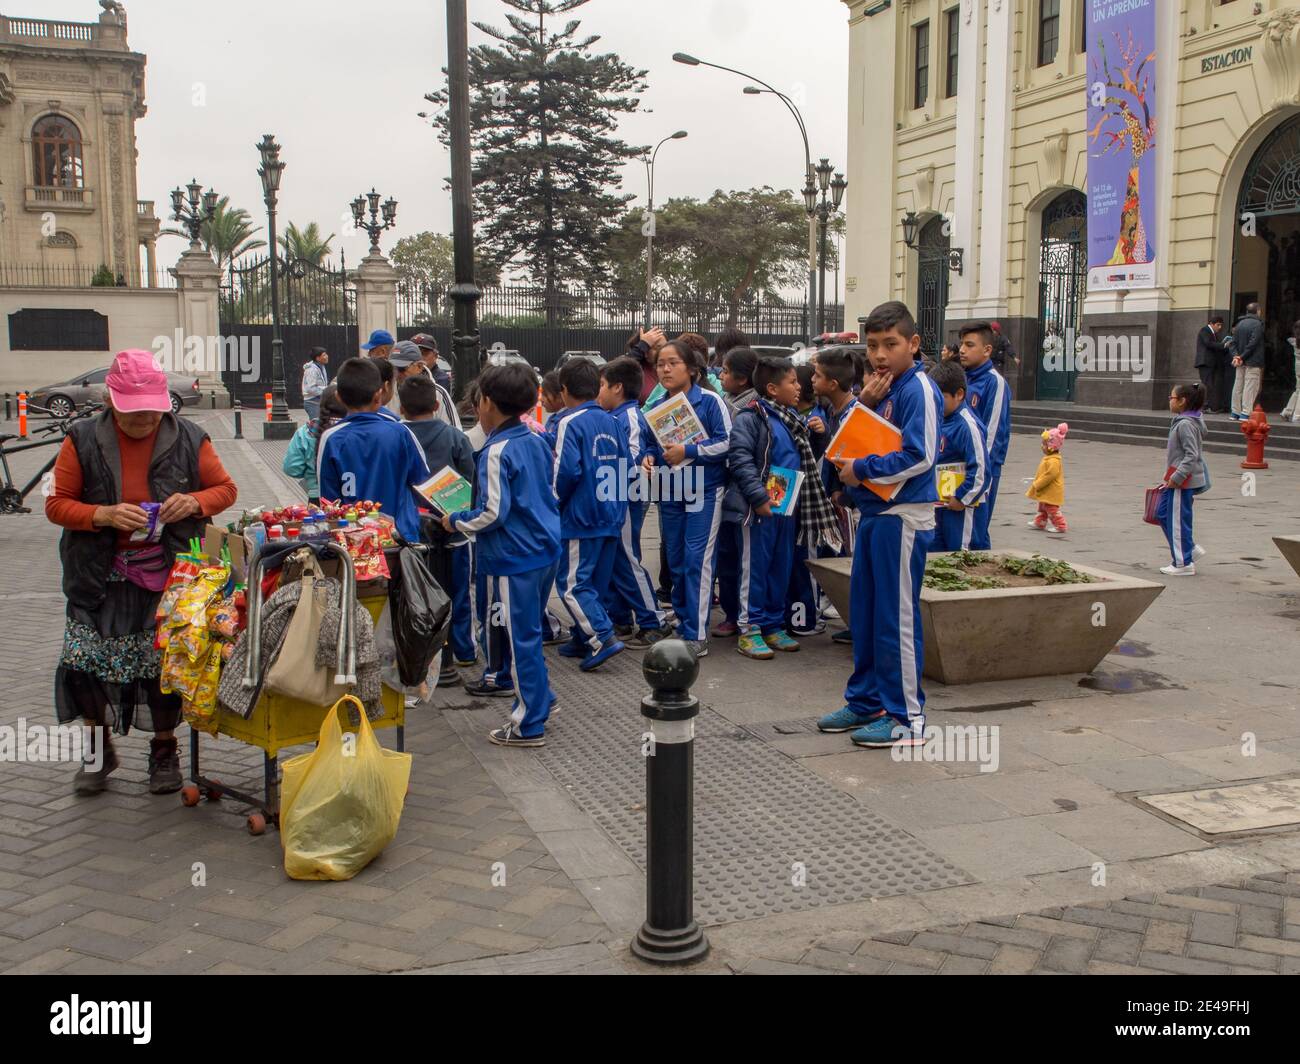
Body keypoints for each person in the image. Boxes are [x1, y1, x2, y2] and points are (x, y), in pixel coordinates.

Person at [45, 350, 237, 795]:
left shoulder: (190, 437)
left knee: (162, 666)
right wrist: (103, 515)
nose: (146, 420)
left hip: (170, 572)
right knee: (84, 665)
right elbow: (56, 505)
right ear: (112, 402)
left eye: (152, 411)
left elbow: (225, 489)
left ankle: (164, 753)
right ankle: (98, 754)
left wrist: (194, 502)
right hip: (97, 574)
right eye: (135, 414)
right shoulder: (82, 440)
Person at [819, 301, 941, 750]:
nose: (880, 354)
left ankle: (907, 717)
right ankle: (867, 700)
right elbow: (842, 447)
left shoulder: (918, 390)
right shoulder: (883, 389)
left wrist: (863, 469)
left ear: (913, 343)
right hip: (873, 515)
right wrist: (864, 403)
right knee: (867, 615)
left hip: (903, 518)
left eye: (891, 344)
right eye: (873, 346)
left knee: (896, 618)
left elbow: (921, 455)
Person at [443, 362, 562, 747]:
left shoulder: (497, 449)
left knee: (518, 639)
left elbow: (493, 511)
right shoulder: (535, 439)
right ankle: (541, 700)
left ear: (487, 402)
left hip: (514, 557)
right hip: (543, 550)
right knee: (527, 635)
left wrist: (454, 521)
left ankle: (529, 722)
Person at [728, 356, 841, 660]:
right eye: (791, 381)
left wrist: (819, 437)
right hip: (760, 507)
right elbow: (740, 459)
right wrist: (758, 497)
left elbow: (805, 458)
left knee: (781, 565)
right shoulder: (750, 417)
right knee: (756, 568)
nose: (799, 386)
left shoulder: (791, 418)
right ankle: (749, 628)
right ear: (772, 388)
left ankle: (772, 623)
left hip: (787, 502)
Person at [641, 339, 732, 657]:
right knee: (676, 560)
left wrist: (689, 450)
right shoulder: (655, 409)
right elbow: (651, 447)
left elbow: (728, 443)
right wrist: (649, 458)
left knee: (697, 561)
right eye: (660, 364)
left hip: (705, 491)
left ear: (691, 369)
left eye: (672, 363)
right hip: (670, 491)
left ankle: (696, 632)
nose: (664, 369)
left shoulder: (710, 401)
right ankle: (682, 621)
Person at [551, 358, 629, 671]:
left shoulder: (569, 422)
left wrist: (552, 504)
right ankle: (583, 637)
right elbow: (626, 465)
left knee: (571, 584)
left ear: (564, 390)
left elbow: (565, 472)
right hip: (610, 513)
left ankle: (601, 636)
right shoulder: (612, 421)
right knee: (593, 582)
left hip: (580, 516)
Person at [399, 373, 478, 668]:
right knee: (460, 591)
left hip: (413, 533)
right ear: (436, 404)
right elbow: (472, 482)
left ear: (401, 408)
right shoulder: (456, 437)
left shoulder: (397, 435)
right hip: (455, 529)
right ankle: (465, 651)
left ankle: (425, 653)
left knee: (417, 593)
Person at [598, 357, 672, 647]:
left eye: (602, 386)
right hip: (615, 497)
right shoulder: (617, 416)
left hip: (626, 498)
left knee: (627, 558)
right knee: (618, 559)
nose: (598, 392)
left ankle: (654, 619)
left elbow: (631, 461)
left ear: (617, 388)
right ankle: (621, 619)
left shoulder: (628, 417)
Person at [318, 357, 428, 542]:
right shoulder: (401, 432)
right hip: (400, 538)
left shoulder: (331, 439)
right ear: (379, 396)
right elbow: (422, 481)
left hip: (354, 542)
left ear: (338, 397)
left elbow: (328, 502)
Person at [713, 346, 760, 639]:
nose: (720, 374)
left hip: (744, 497)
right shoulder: (726, 401)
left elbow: (741, 455)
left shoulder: (749, 410)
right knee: (726, 559)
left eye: (726, 371)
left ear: (742, 379)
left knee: (744, 563)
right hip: (726, 496)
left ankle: (745, 620)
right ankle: (732, 613)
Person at [958, 321, 1011, 549]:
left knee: (976, 534)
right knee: (958, 533)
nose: (962, 350)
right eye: (961, 344)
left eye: (969, 345)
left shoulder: (995, 382)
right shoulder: (962, 379)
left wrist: (981, 476)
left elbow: (993, 433)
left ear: (987, 350)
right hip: (956, 469)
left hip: (982, 471)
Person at [928, 360, 990, 551]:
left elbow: (981, 470)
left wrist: (962, 498)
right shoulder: (938, 420)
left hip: (963, 508)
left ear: (959, 395)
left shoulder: (967, 425)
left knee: (962, 554)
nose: (935, 402)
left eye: (941, 397)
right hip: (940, 504)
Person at [1156, 383, 1209, 576]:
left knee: (1177, 520)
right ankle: (1190, 549)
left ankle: (1182, 563)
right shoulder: (1185, 420)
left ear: (1182, 401)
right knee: (1162, 514)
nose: (1169, 401)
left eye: (1171, 398)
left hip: (1182, 480)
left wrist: (1177, 477)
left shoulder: (1186, 424)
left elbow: (1191, 455)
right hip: (1176, 477)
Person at [283, 385, 346, 504]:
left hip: (316, 498)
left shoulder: (305, 432)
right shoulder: (353, 430)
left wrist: (310, 475)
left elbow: (291, 468)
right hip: (350, 498)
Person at [387, 339, 460, 430]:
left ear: (419, 367)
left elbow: (454, 432)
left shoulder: (438, 393)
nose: (397, 373)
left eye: (401, 369)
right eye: (393, 368)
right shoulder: (387, 393)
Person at [1026, 423, 1069, 534]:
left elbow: (1050, 475)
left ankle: (1060, 525)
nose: (1042, 446)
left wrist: (1038, 483)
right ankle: (1040, 522)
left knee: (1051, 508)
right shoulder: (1049, 458)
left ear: (1051, 447)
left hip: (1051, 489)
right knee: (1043, 506)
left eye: (1044, 444)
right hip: (1047, 489)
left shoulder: (1053, 461)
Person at [1230, 303, 1265, 420]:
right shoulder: (1258, 324)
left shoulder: (1239, 324)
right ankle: (1246, 412)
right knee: (1250, 387)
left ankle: (1235, 412)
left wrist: (1236, 356)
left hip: (1240, 361)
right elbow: (1253, 343)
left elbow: (1233, 342)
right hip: (1252, 361)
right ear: (1258, 311)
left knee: (1238, 386)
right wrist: (1242, 357)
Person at [1195, 316, 1230, 414]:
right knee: (1207, 385)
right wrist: (1223, 345)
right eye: (1218, 325)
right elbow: (1208, 343)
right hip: (1205, 363)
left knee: (1210, 385)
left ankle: (1208, 406)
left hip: (1212, 363)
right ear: (1211, 323)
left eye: (1221, 325)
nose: (1219, 327)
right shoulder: (1205, 330)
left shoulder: (1214, 334)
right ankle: (1205, 407)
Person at [626, 326, 667, 402]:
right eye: (657, 348)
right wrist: (642, 345)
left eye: (665, 347)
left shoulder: (673, 368)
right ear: (645, 352)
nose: (663, 351)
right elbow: (620, 369)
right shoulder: (635, 372)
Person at [410, 332, 453, 396]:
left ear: (435, 355)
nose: (419, 357)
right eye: (414, 353)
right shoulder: (403, 375)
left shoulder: (442, 379)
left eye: (424, 353)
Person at [300, 347, 329, 421]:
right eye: (324, 355)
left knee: (322, 424)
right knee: (316, 426)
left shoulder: (321, 366)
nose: (327, 356)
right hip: (312, 401)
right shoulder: (311, 370)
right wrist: (326, 391)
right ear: (318, 358)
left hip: (319, 400)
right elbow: (310, 388)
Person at [1281, 320, 1300, 423]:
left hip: (1297, 367)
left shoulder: (1294, 341)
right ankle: (1297, 415)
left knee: (1297, 390)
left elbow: (1289, 339)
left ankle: (1287, 412)